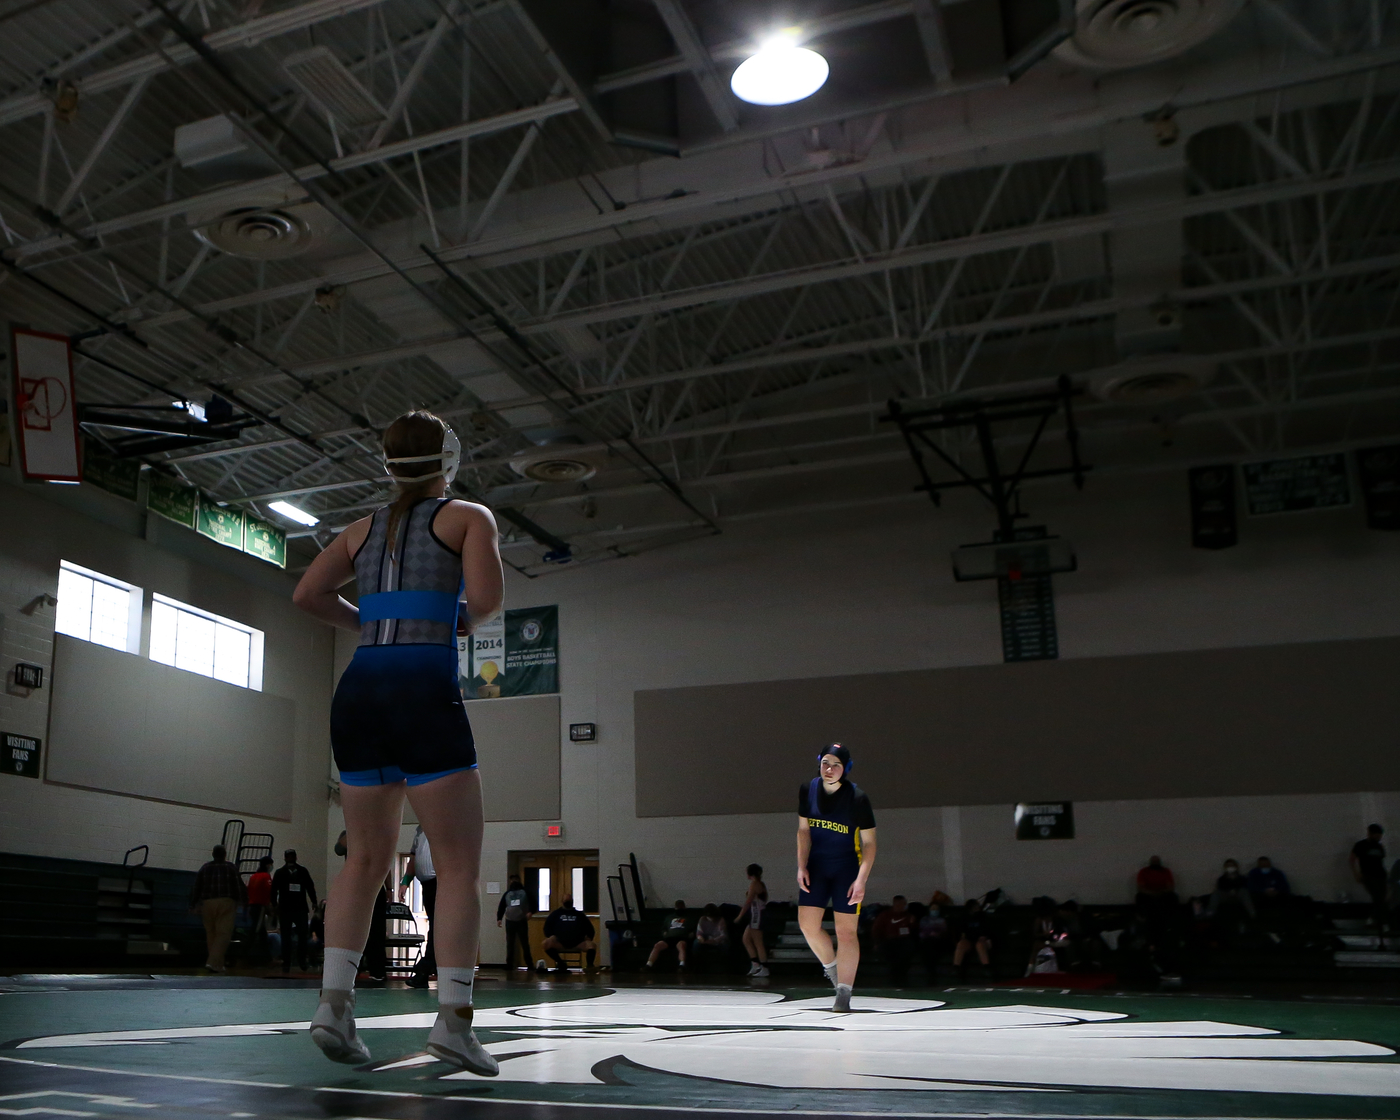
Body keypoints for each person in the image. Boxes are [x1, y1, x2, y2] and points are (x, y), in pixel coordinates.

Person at [294, 410, 503, 1075]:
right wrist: (449, 618)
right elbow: (486, 601)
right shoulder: (469, 517)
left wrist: (369, 618)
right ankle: (455, 1021)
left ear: (385, 463)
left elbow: (307, 593)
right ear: (450, 458)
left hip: (358, 693)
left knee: (363, 861)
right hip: (421, 688)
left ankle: (333, 1005)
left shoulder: (360, 530)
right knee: (460, 865)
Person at [796, 743, 877, 1013]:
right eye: (825, 763)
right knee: (808, 925)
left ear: (846, 769)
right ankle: (833, 970)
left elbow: (870, 844)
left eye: (837, 765)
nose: (830, 769)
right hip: (817, 867)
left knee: (846, 932)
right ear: (819, 762)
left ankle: (844, 992)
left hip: (847, 869)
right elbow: (803, 832)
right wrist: (801, 865)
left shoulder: (857, 798)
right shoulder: (808, 790)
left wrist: (862, 879)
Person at [189, 844, 245, 974]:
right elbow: (238, 885)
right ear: (225, 855)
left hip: (207, 903)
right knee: (223, 934)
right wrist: (242, 901)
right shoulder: (230, 867)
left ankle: (218, 965)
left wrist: (193, 904)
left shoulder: (205, 867)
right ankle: (212, 962)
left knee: (211, 934)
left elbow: (196, 887)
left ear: (213, 854)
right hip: (226, 902)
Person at [271, 849, 318, 974]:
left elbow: (310, 886)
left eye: (292, 856)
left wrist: (314, 901)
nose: (290, 858)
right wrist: (275, 905)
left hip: (300, 908)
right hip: (285, 909)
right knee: (286, 937)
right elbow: (273, 890)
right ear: (285, 858)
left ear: (296, 857)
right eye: (288, 856)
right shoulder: (280, 873)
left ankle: (302, 960)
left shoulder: (302, 871)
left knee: (302, 936)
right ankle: (286, 962)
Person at [541, 895, 596, 974]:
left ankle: (590, 966)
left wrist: (589, 937)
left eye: (569, 901)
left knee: (592, 945)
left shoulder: (579, 914)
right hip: (560, 942)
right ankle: (560, 963)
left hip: (578, 942)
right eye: (566, 901)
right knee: (546, 943)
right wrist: (550, 936)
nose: (568, 903)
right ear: (562, 902)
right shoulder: (555, 914)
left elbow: (590, 928)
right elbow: (547, 927)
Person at [872, 895, 917, 983]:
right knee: (890, 953)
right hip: (889, 941)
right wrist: (876, 942)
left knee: (907, 949)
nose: (904, 906)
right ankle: (893, 978)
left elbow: (915, 932)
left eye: (904, 904)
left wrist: (913, 924)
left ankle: (903, 978)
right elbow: (876, 930)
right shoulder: (885, 915)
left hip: (904, 941)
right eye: (901, 904)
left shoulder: (909, 916)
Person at [735, 863, 769, 978]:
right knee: (746, 939)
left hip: (757, 915)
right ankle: (755, 964)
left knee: (758, 942)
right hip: (757, 914)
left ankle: (764, 967)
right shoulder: (760, 884)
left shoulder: (755, 884)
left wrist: (739, 916)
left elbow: (748, 902)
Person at [1351, 825, 1387, 930]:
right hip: (1368, 876)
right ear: (1370, 834)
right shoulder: (1361, 845)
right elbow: (1352, 860)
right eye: (1377, 834)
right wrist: (1356, 874)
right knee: (1378, 897)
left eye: (1380, 835)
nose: (1379, 837)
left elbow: (1380, 862)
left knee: (1380, 899)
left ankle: (1375, 920)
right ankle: (1377, 921)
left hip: (1381, 876)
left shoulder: (1379, 846)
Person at [496, 875, 532, 971]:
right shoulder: (507, 894)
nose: (513, 882)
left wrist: (530, 912)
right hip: (510, 920)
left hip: (521, 920)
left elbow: (533, 902)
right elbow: (502, 906)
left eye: (515, 880)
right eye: (512, 880)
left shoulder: (525, 892)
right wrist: (499, 918)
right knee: (510, 944)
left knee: (524, 943)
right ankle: (510, 964)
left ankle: (530, 964)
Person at [645, 901, 692, 971]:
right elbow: (664, 928)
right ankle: (649, 965)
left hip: (681, 937)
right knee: (657, 945)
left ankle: (682, 965)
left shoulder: (688, 918)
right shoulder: (669, 917)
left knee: (681, 946)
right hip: (670, 938)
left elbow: (692, 928)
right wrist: (664, 933)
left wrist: (690, 934)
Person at [953, 897, 992, 977]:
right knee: (961, 944)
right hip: (969, 940)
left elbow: (987, 930)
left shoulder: (983, 916)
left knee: (979, 945)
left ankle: (986, 967)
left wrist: (984, 936)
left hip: (982, 941)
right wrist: (962, 937)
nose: (977, 908)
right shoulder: (964, 917)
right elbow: (962, 931)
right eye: (975, 907)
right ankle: (956, 967)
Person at [246, 856, 274, 966]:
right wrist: (270, 906)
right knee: (255, 931)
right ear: (268, 865)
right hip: (260, 906)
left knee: (260, 932)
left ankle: (266, 958)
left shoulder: (253, 876)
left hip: (252, 906)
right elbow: (268, 891)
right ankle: (245, 955)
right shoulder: (265, 876)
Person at [918, 897, 950, 976]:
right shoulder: (924, 919)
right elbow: (921, 931)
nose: (934, 910)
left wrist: (937, 933)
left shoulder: (942, 920)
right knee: (928, 945)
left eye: (936, 909)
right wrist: (929, 933)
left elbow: (944, 930)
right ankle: (930, 969)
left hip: (939, 940)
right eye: (933, 908)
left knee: (933, 945)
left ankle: (932, 969)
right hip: (927, 939)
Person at [693, 903, 729, 972]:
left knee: (726, 945)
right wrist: (700, 938)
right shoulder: (702, 919)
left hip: (718, 942)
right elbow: (699, 932)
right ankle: (697, 967)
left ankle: (726, 968)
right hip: (706, 941)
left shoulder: (721, 920)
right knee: (696, 944)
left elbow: (723, 935)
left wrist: (713, 941)